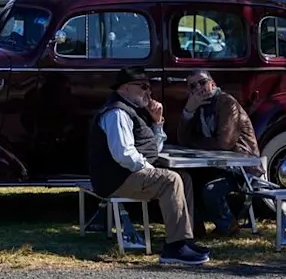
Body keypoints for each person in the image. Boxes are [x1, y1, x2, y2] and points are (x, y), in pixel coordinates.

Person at [88, 66, 209, 265]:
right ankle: (174, 248)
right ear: (125, 88)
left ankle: (185, 240)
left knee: (184, 178)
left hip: (128, 174)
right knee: (170, 179)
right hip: (116, 179)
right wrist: (151, 170)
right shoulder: (117, 112)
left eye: (149, 87)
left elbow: (152, 149)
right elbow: (124, 154)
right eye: (143, 86)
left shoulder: (134, 111)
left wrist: (157, 122)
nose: (148, 92)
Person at [177, 70, 260, 236]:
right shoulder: (197, 106)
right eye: (193, 86)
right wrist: (188, 111)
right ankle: (194, 227)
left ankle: (228, 225)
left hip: (241, 168)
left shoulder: (227, 103)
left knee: (210, 189)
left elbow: (225, 143)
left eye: (202, 82)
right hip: (214, 165)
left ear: (212, 83)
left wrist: (195, 143)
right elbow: (183, 140)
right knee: (186, 179)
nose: (199, 88)